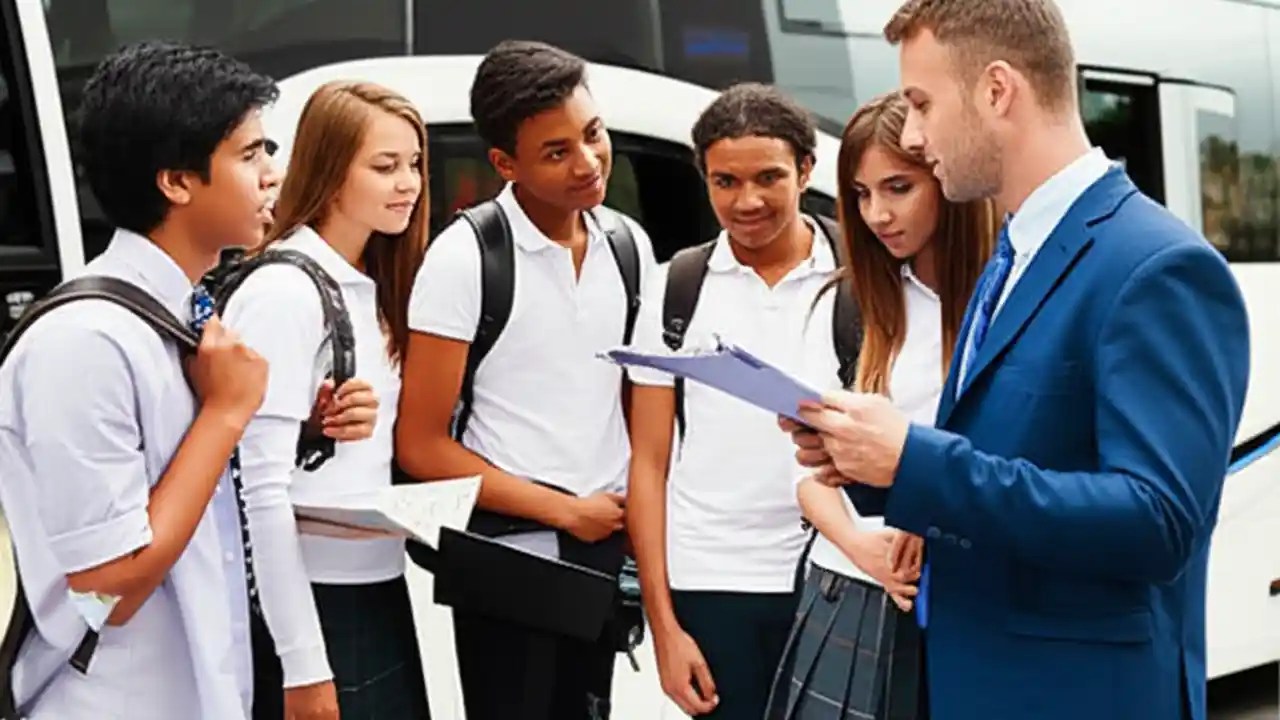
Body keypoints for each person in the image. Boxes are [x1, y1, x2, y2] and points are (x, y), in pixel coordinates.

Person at [783, 1, 1252, 719]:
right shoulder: (1011, 254)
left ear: (997, 90)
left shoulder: (1157, 266)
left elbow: (1158, 523)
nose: (911, 132)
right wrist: (867, 463)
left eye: (921, 103)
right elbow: (1006, 454)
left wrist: (915, 461)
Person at [0, 41, 274, 719]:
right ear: (176, 182)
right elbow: (108, 585)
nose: (273, 173)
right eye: (251, 154)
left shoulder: (180, 316)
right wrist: (226, 415)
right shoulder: (86, 340)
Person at [395, 40, 657, 720]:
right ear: (504, 164)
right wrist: (565, 510)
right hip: (509, 560)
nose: (588, 162)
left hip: (603, 554)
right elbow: (421, 446)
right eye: (556, 152)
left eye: (593, 135)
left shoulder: (627, 245)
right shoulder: (464, 259)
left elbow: (633, 410)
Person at [765, 91, 994, 720]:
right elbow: (806, 478)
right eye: (862, 195)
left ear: (944, 177)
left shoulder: (1003, 300)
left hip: (975, 597)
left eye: (898, 188)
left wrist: (926, 509)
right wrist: (864, 550)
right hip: (852, 590)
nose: (878, 214)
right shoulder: (844, 307)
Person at [626, 82, 848, 719]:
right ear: (704, 178)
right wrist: (664, 625)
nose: (746, 200)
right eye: (725, 182)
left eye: (768, 178)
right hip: (712, 582)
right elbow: (648, 463)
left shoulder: (860, 278)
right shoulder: (674, 289)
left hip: (836, 573)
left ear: (806, 170)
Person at [219, 80, 431, 720]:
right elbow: (260, 489)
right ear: (332, 175)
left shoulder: (371, 286)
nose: (409, 184)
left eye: (415, 164)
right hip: (316, 601)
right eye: (385, 166)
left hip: (376, 583)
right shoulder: (286, 290)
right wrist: (305, 664)